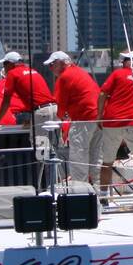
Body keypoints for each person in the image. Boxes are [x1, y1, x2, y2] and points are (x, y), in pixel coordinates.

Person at [96, 50, 133, 202]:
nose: (122, 64)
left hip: (112, 122)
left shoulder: (117, 74)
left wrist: (99, 116)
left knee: (107, 162)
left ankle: (103, 197)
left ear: (127, 61)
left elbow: (102, 94)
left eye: (123, 61)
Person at [45, 51, 101, 186]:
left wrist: (61, 119)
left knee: (78, 160)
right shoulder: (80, 72)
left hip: (83, 120)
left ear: (62, 63)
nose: (50, 68)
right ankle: (102, 194)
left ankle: (80, 195)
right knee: (96, 160)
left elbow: (60, 107)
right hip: (99, 119)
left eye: (52, 64)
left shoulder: (64, 77)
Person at [0, 51, 56, 129]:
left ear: (10, 64)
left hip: (42, 112)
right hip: (54, 109)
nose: (4, 67)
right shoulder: (32, 70)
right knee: (56, 140)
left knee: (40, 140)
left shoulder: (12, 73)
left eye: (4, 64)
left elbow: (6, 102)